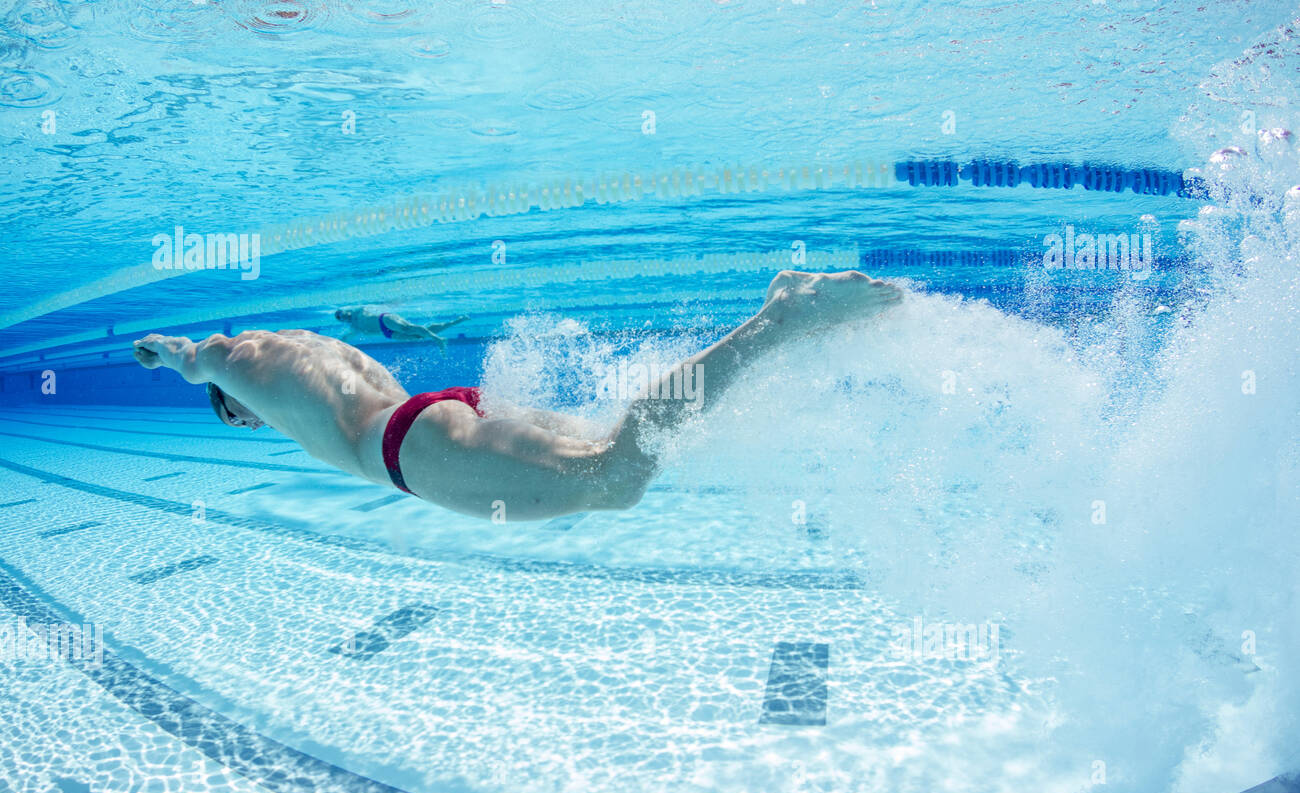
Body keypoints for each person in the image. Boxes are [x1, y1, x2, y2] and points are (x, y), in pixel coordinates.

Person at [133, 271, 902, 521]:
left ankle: (781, 320)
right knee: (624, 438)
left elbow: (203, 356)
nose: (254, 422)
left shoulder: (245, 368)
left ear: (238, 409)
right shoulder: (317, 348)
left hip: (412, 449)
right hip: (444, 410)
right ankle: (780, 347)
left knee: (616, 476)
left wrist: (171, 358)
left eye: (241, 419)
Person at [334, 305, 468, 353]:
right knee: (417, 336)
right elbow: (344, 339)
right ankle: (457, 321)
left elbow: (372, 306)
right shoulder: (353, 327)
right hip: (386, 333)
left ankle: (438, 339)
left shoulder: (358, 311)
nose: (342, 316)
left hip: (385, 320)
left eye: (341, 313)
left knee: (407, 328)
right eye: (339, 317)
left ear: (346, 311)